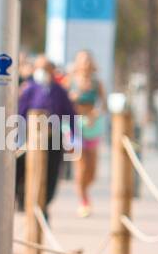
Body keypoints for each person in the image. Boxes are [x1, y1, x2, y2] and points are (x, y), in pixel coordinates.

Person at [17, 55, 76, 211]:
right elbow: (20, 113)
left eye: (45, 68)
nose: (42, 71)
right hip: (31, 138)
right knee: (27, 171)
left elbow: (70, 114)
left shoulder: (59, 91)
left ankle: (43, 205)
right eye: (39, 67)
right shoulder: (29, 89)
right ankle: (27, 203)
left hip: (53, 137)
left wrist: (73, 138)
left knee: (52, 173)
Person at [67, 49, 104, 217]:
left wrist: (96, 114)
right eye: (82, 60)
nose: (85, 63)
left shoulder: (97, 83)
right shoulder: (70, 81)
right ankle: (83, 201)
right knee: (81, 167)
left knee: (92, 171)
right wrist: (71, 100)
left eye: (88, 59)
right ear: (77, 63)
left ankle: (83, 189)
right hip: (74, 127)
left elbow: (104, 104)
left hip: (92, 127)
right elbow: (62, 103)